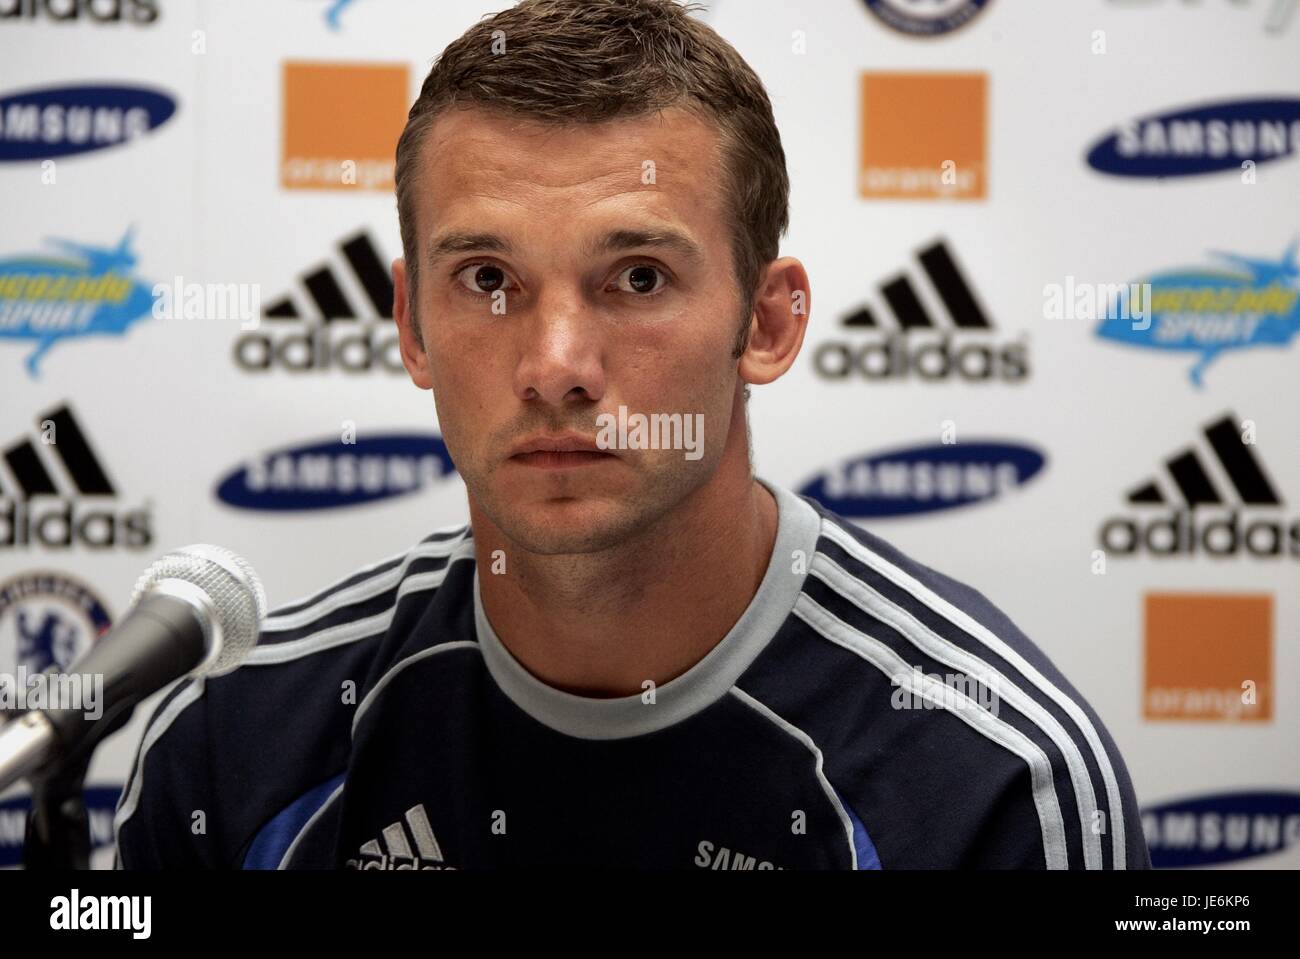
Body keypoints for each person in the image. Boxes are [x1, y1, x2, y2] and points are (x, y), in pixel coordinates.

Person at [115, 0, 1149, 870]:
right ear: (412, 326)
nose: (555, 362)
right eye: (487, 279)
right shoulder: (231, 748)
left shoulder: (991, 773)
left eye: (639, 277)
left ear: (768, 322)